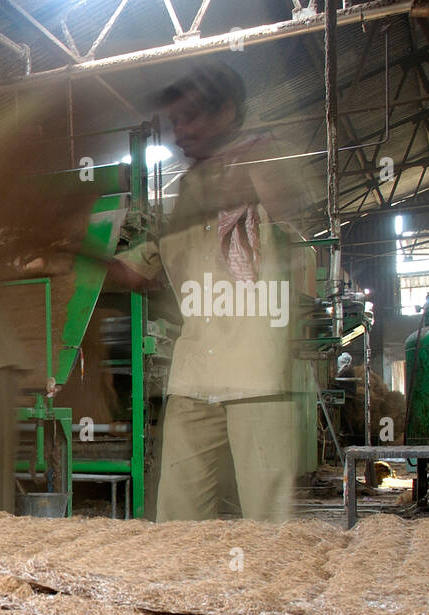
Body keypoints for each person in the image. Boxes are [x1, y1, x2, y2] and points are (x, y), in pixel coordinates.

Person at [107, 63, 315, 522]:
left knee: (266, 518)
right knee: (178, 517)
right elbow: (143, 271)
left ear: (228, 112)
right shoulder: (185, 189)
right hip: (194, 375)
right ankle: (181, 593)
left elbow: (290, 208)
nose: (180, 133)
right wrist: (75, 256)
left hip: (256, 376)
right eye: (176, 121)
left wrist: (239, 171)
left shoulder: (266, 159)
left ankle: (267, 591)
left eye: (191, 118)